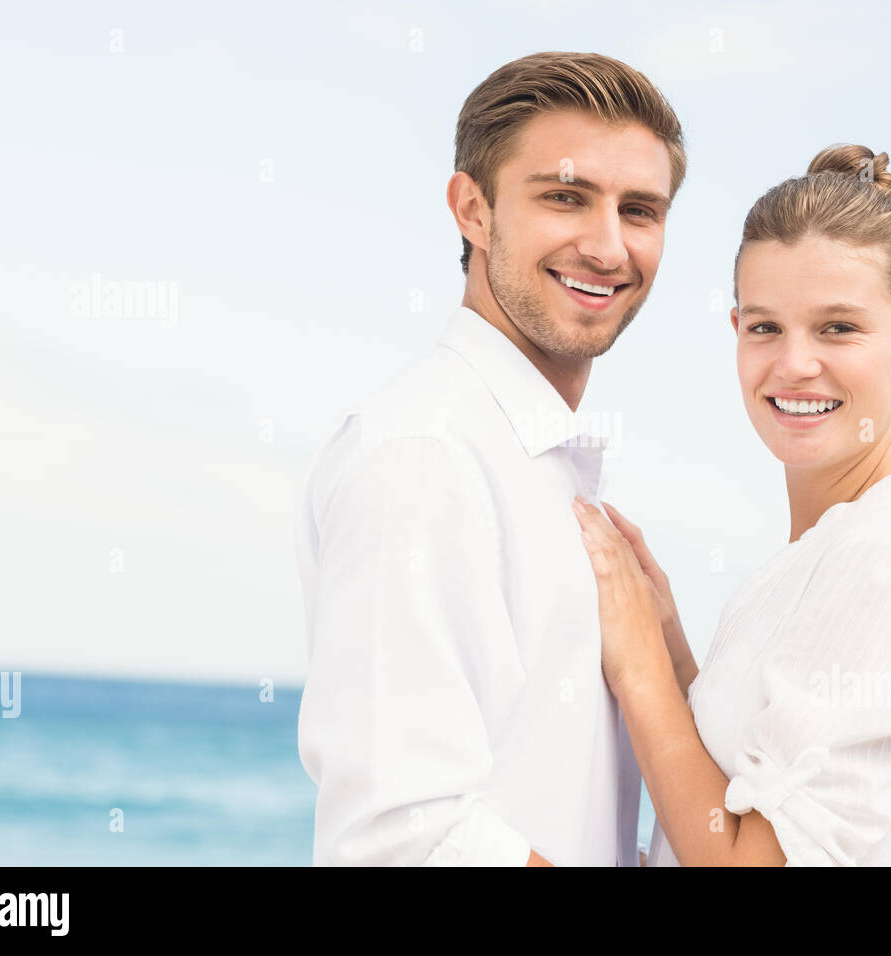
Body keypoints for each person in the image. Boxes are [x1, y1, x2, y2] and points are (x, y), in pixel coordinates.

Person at [294, 51, 686, 865]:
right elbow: (404, 838)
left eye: (640, 210)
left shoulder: (542, 465)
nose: (609, 246)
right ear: (472, 209)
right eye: (566, 197)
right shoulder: (423, 454)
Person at [572, 144, 891, 865]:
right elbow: (747, 782)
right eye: (765, 327)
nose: (793, 363)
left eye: (838, 327)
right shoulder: (831, 550)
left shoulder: (889, 556)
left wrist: (640, 667)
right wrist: (672, 642)